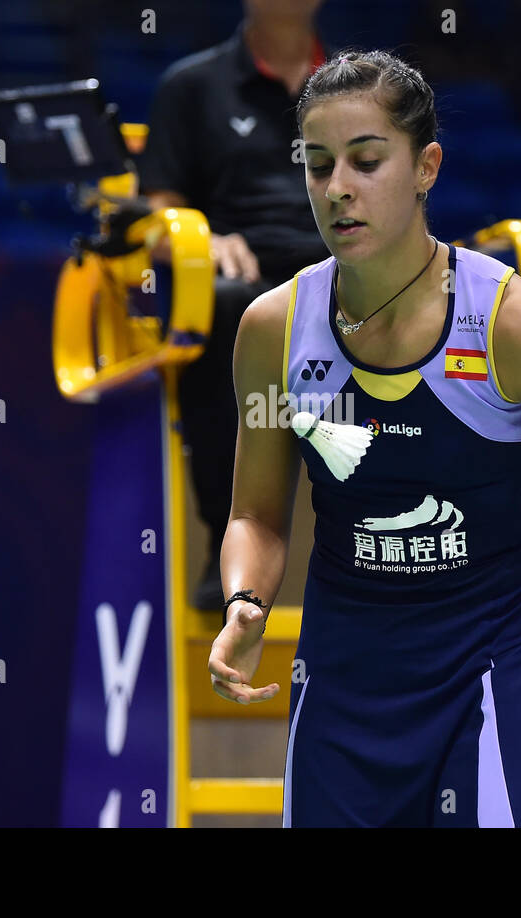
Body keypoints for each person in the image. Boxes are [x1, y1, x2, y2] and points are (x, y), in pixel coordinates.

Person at [207, 49, 521, 828]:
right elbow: (256, 514)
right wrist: (246, 601)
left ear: (426, 167)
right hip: (344, 688)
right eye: (317, 166)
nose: (338, 187)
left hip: (496, 681)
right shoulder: (272, 332)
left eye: (366, 160)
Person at [139, 0, 332, 609]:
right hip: (242, 270)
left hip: (343, 261)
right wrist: (206, 237)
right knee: (223, 307)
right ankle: (231, 544)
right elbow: (158, 213)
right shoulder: (192, 86)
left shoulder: (357, 85)